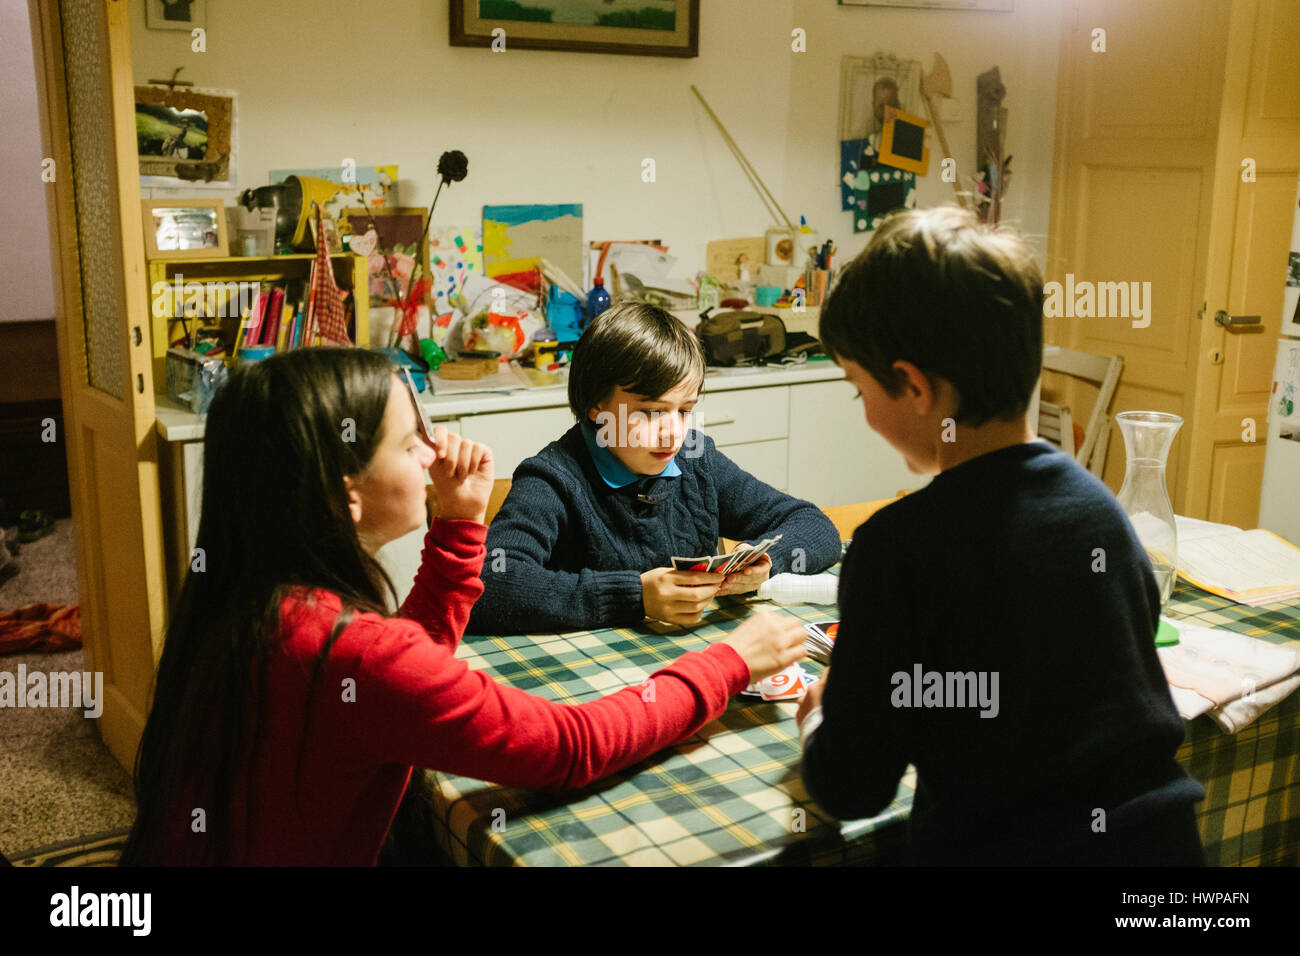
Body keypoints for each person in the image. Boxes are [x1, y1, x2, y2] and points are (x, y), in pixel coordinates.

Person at [119, 347, 807, 866]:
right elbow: (569, 747)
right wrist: (726, 663)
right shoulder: (343, 647)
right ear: (347, 494)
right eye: (409, 439)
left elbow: (402, 673)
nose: (433, 450)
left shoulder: (259, 602)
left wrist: (457, 525)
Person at [797, 206, 1205, 866]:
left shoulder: (896, 550)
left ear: (914, 386)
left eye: (858, 388)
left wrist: (817, 717)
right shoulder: (1102, 513)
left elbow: (853, 786)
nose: (862, 409)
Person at [467, 303, 843, 634]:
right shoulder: (552, 480)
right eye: (651, 412)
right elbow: (487, 586)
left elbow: (813, 524)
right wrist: (635, 596)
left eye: (684, 410)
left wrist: (767, 562)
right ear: (597, 405)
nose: (673, 432)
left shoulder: (696, 459)